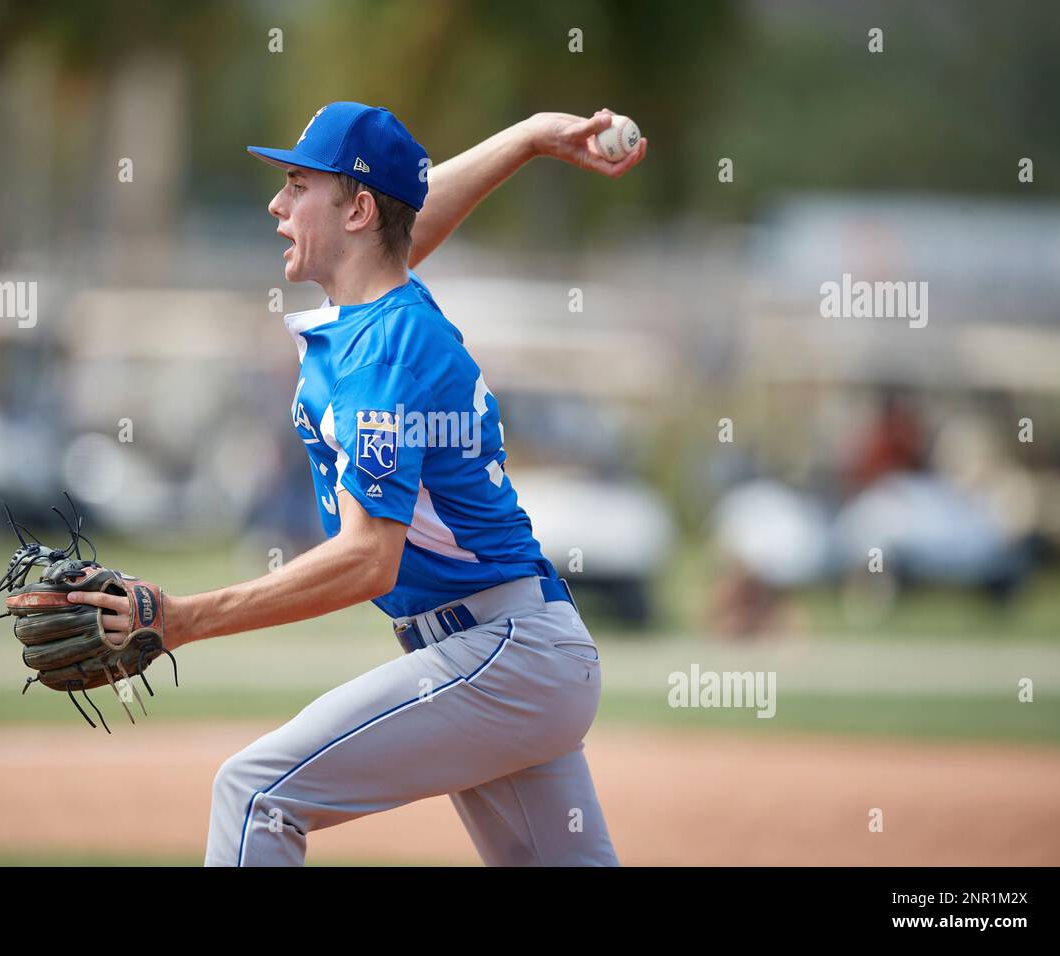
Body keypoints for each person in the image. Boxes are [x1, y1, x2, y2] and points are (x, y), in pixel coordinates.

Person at [69, 102, 645, 866]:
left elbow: (368, 559)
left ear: (358, 208)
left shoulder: (382, 353)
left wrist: (183, 619)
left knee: (256, 793)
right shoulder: (386, 307)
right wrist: (531, 137)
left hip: (500, 653)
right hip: (520, 654)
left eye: (298, 184)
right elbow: (403, 227)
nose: (277, 204)